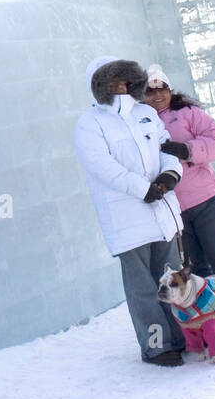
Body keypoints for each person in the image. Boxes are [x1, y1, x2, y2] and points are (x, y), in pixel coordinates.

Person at [74, 57, 186, 367]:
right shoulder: (90, 123)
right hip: (127, 218)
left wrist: (169, 176)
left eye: (126, 80)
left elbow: (167, 150)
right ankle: (156, 346)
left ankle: (182, 336)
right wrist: (142, 188)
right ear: (100, 85)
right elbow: (101, 165)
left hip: (162, 212)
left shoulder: (146, 113)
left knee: (172, 281)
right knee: (143, 290)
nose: (121, 87)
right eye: (113, 82)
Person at [144, 66, 215, 285]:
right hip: (175, 210)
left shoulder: (187, 113)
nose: (157, 95)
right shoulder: (140, 123)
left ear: (170, 90)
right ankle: (213, 318)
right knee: (196, 270)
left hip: (207, 202)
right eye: (150, 91)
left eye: (162, 88)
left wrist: (187, 150)